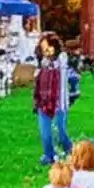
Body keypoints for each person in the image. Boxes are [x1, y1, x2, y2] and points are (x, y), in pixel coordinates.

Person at [33, 36, 73, 164]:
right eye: (42, 47)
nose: (45, 50)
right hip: (44, 103)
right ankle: (49, 155)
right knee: (45, 134)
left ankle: (71, 152)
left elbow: (60, 65)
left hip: (59, 104)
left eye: (47, 47)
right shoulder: (42, 62)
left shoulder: (62, 59)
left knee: (61, 133)